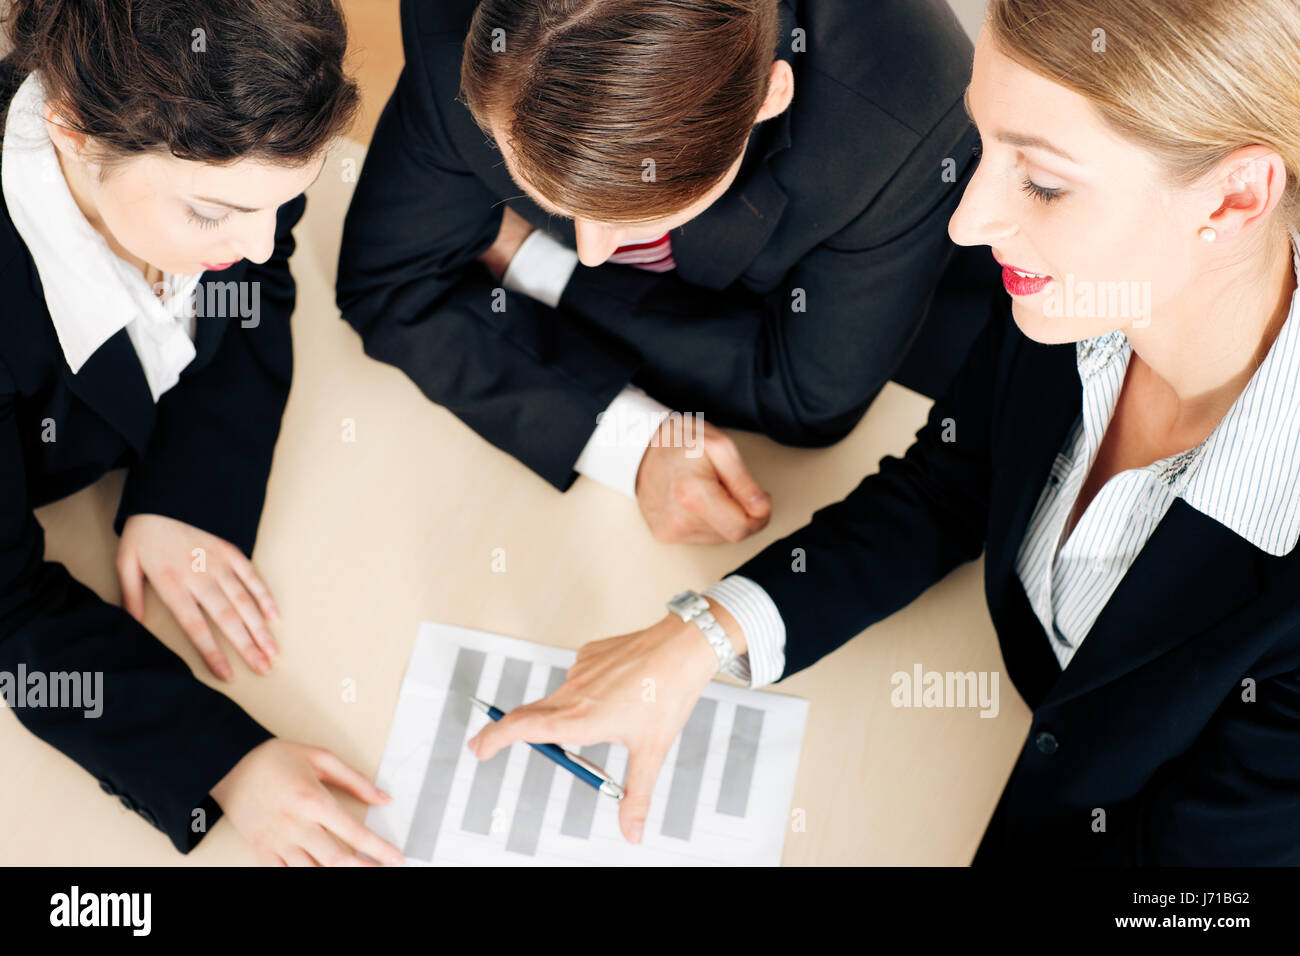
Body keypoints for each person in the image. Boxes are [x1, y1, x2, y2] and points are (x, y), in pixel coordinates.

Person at [466, 0, 1300, 865]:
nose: (968, 222)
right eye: (986, 145)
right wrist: (698, 637)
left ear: (1234, 199)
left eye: (1044, 183)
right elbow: (948, 485)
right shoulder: (1080, 299)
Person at [337, 0, 995, 545]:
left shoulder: (911, 108)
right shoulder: (464, 28)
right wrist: (632, 439)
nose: (589, 252)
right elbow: (388, 281)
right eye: (546, 201)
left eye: (632, 216)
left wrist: (528, 259)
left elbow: (805, 397)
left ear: (770, 96)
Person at [0, 0, 403, 866]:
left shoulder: (242, 143)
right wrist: (226, 764)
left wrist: (186, 490)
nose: (262, 245)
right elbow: (7, 611)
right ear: (69, 132)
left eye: (282, 204)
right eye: (215, 215)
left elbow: (252, 293)